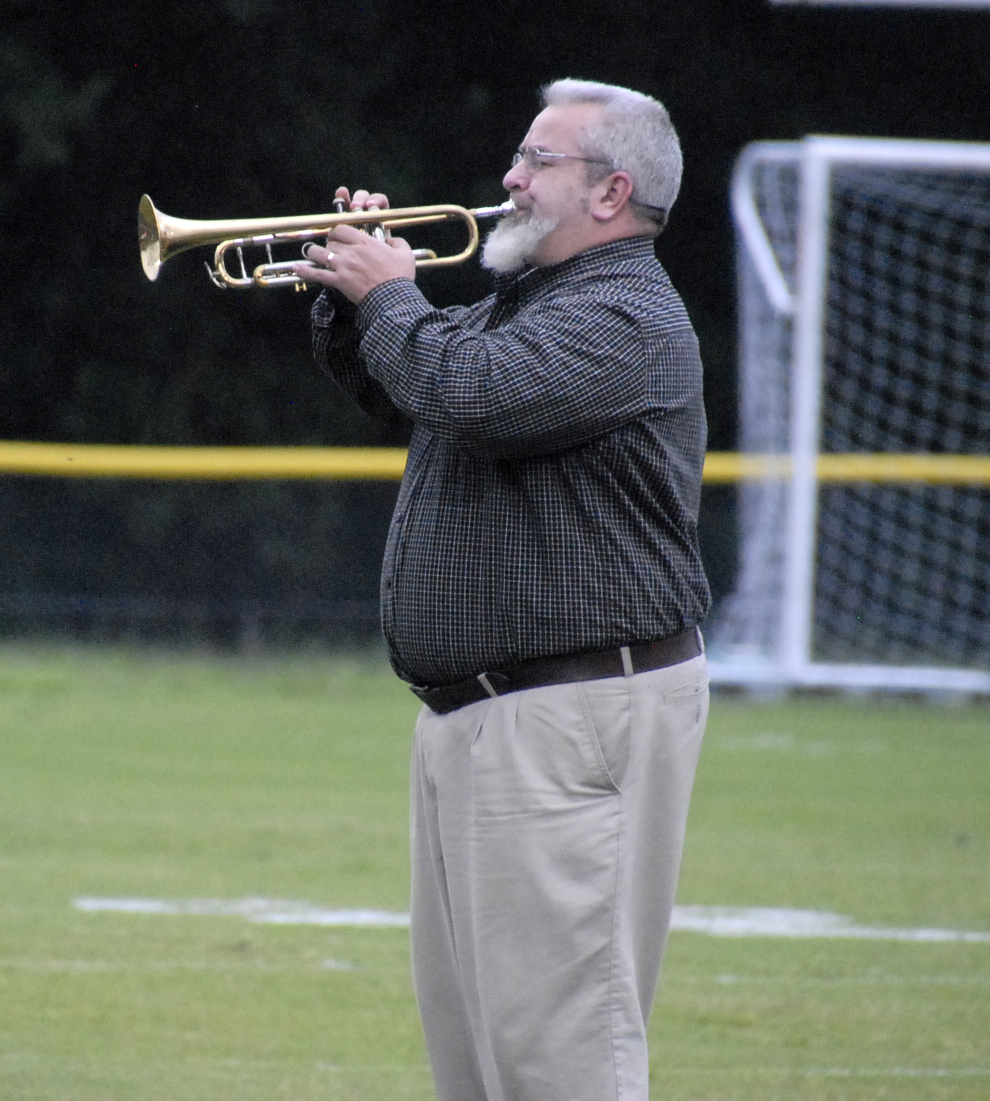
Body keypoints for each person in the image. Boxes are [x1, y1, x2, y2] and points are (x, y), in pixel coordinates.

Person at [292, 79, 712, 1101]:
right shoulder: (531, 304)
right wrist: (350, 303)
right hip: (486, 716)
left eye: (536, 161)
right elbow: (413, 389)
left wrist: (390, 294)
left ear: (610, 194)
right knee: (477, 1059)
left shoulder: (623, 314)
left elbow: (464, 392)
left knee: (557, 1052)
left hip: (567, 716)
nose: (508, 180)